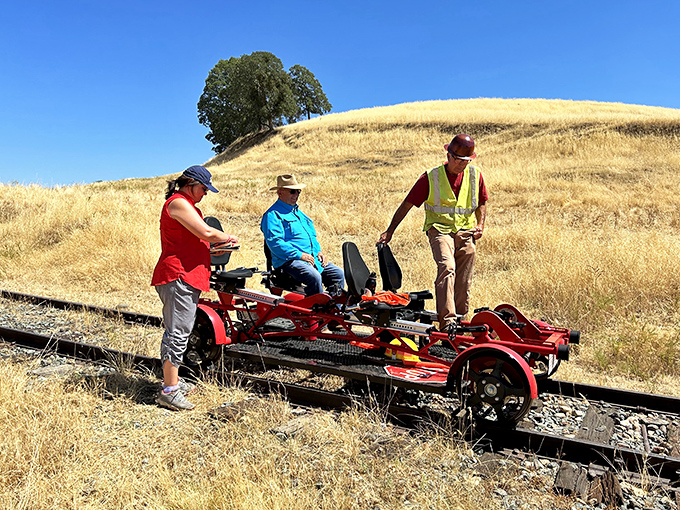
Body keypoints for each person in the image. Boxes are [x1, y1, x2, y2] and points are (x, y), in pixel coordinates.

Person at [377, 134, 488, 331]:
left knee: (464, 275)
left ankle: (460, 319)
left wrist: (480, 224)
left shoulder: (475, 175)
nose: (463, 165)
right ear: (449, 155)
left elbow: (482, 202)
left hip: (465, 230)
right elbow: (407, 204)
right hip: (439, 229)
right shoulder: (431, 177)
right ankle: (448, 323)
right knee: (447, 266)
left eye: (466, 161)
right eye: (459, 160)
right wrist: (390, 231)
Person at [151, 165, 238, 411]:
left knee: (181, 331)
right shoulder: (178, 203)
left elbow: (196, 242)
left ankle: (173, 382)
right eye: (203, 188)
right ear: (190, 184)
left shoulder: (190, 207)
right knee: (177, 333)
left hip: (187, 276)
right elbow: (207, 232)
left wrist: (216, 248)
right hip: (178, 275)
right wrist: (228, 237)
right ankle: (169, 391)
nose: (205, 193)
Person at [261, 174, 345, 296]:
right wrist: (300, 255)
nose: (296, 195)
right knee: (314, 276)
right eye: (292, 191)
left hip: (310, 259)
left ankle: (334, 309)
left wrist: (318, 252)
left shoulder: (299, 214)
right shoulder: (272, 215)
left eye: (298, 191)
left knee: (338, 274)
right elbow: (275, 243)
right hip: (289, 261)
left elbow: (312, 237)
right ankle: (316, 309)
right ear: (280, 193)